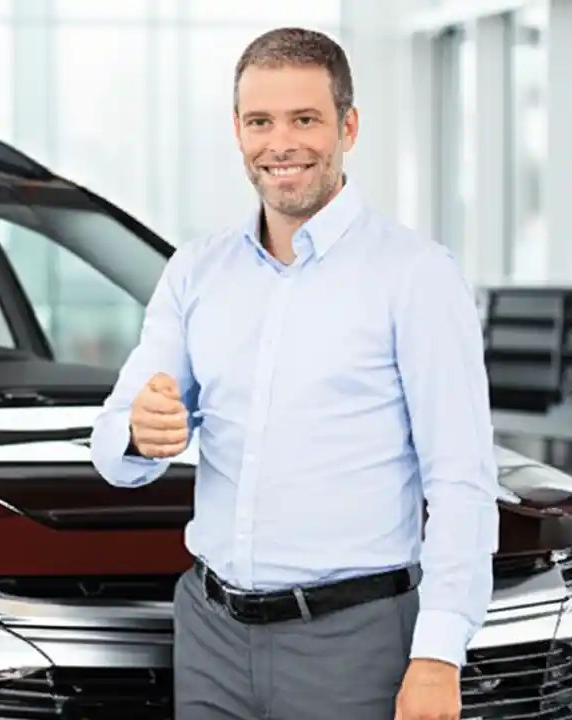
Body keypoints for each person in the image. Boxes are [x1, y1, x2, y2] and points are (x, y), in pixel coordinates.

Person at [89, 27, 498, 720]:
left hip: (355, 643)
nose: (280, 143)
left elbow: (461, 480)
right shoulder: (196, 271)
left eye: (304, 120)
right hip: (212, 638)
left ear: (348, 127)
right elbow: (114, 441)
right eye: (260, 122)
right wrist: (137, 430)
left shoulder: (416, 275)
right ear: (238, 131)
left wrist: (438, 653)